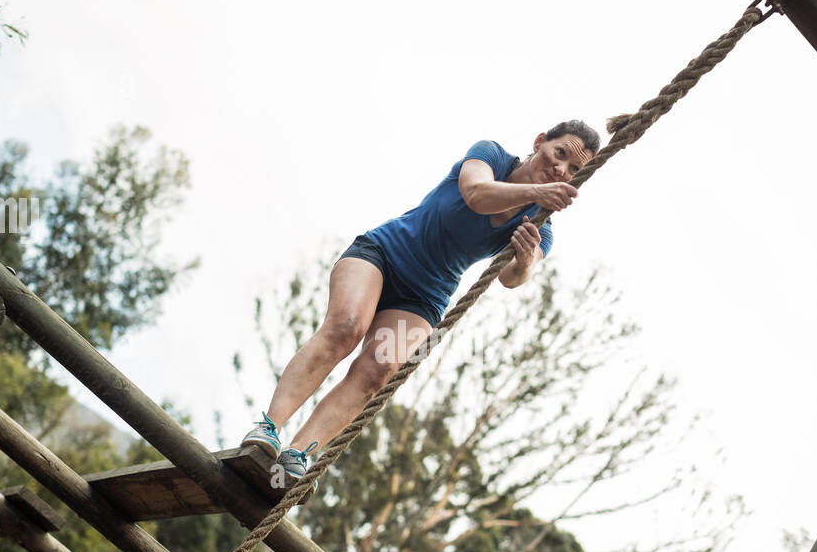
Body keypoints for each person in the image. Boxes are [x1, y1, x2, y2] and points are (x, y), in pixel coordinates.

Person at [243, 120, 602, 482]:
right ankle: (267, 429)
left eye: (574, 170)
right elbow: (476, 193)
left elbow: (513, 277)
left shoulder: (542, 225)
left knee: (379, 370)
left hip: (425, 296)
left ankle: (296, 456)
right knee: (346, 328)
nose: (561, 170)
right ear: (540, 142)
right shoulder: (491, 156)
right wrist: (533, 195)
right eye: (560, 155)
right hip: (382, 254)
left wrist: (524, 259)